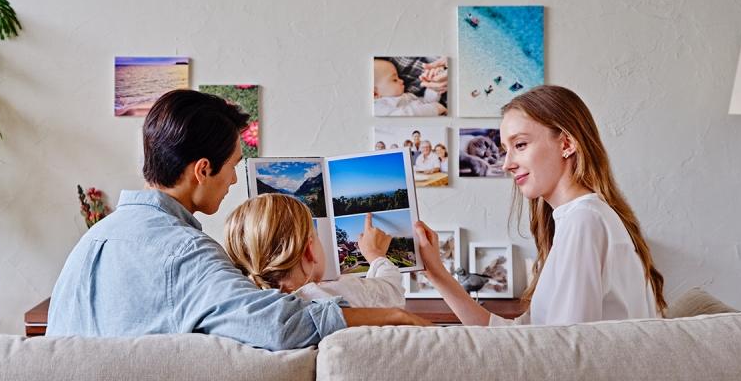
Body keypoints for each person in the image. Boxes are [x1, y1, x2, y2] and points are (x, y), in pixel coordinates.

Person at [46, 90, 429, 351]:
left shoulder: (92, 241)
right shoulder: (184, 251)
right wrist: (392, 315)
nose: (232, 180)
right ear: (202, 169)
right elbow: (276, 325)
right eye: (231, 167)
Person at [412, 85, 666, 326]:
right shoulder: (578, 218)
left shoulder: (584, 221)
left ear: (566, 144)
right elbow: (522, 336)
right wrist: (436, 273)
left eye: (520, 145)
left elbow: (563, 350)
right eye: (505, 149)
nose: (506, 164)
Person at [223, 194, 405, 308]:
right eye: (317, 236)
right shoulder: (335, 292)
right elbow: (392, 293)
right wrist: (375, 254)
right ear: (309, 250)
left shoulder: (251, 306)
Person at [373, 58, 446, 117]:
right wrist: (435, 108)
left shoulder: (407, 96)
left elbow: (426, 103)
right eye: (394, 80)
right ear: (375, 94)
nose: (401, 80)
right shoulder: (377, 107)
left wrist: (433, 87)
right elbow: (403, 116)